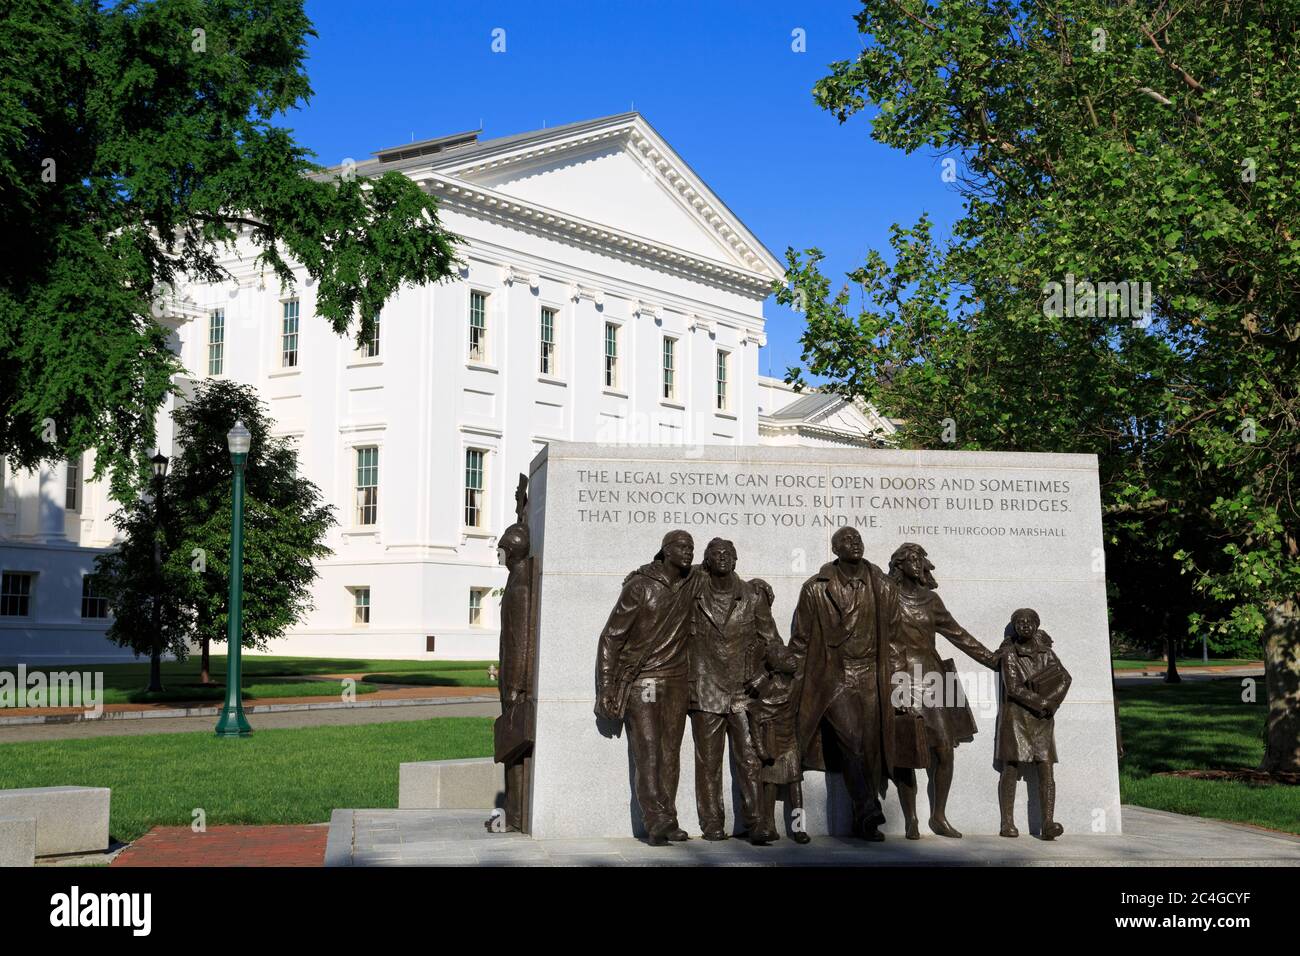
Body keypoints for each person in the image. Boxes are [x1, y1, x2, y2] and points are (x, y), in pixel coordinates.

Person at [789, 526, 900, 841]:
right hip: (834, 677)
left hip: (872, 676)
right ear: (836, 549)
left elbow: (894, 638)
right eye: (847, 540)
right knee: (851, 741)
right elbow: (801, 640)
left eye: (858, 539)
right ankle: (868, 811)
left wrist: (899, 682)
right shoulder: (815, 589)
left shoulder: (883, 585)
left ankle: (859, 819)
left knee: (871, 749)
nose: (855, 544)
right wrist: (787, 681)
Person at [887, 542, 998, 839]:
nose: (918, 563)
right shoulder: (887, 597)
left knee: (944, 749)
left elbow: (957, 633)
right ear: (899, 565)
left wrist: (992, 660)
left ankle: (938, 816)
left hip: (933, 678)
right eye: (912, 558)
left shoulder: (931, 600)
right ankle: (910, 818)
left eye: (921, 559)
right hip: (901, 678)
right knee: (905, 750)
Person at [595, 530, 696, 845]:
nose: (689, 552)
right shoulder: (640, 586)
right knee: (648, 751)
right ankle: (655, 822)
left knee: (670, 753)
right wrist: (606, 688)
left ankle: (669, 817)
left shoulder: (693, 582)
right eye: (682, 547)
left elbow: (723, 570)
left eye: (692, 548)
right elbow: (611, 637)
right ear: (665, 551)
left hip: (677, 680)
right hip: (645, 681)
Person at [685, 538, 785, 844]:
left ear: (736, 558)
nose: (722, 558)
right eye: (716, 554)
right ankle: (712, 823)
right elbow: (668, 577)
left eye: (728, 553)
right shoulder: (694, 592)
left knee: (750, 758)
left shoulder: (753, 596)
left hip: (744, 692)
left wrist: (765, 676)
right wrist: (638, 573)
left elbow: (773, 643)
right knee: (708, 763)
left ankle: (757, 823)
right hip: (705, 689)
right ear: (707, 561)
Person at [995, 608, 1072, 840]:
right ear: (1015, 626)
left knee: (1046, 770)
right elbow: (1014, 688)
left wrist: (1052, 704)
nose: (1025, 625)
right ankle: (1007, 823)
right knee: (1010, 769)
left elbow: (1065, 678)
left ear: (1037, 625)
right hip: (1016, 718)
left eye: (1030, 622)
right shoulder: (1010, 654)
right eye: (1020, 622)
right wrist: (1042, 702)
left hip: (1043, 720)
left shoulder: (1047, 653)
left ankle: (1047, 823)